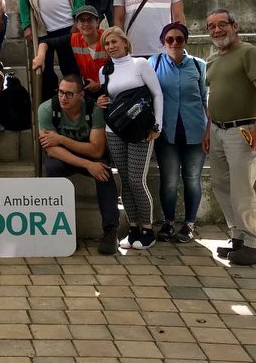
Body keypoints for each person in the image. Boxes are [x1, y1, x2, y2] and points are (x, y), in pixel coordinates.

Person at [203, 9, 256, 266]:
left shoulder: (249, 53)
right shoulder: (212, 58)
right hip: (218, 130)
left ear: (235, 26)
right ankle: (239, 236)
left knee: (242, 189)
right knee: (221, 185)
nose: (217, 30)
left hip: (242, 130)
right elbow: (214, 96)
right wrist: (208, 129)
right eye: (212, 26)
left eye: (222, 24)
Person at [96, 27, 163, 250]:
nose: (111, 47)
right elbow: (109, 99)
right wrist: (101, 102)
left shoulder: (140, 64)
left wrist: (157, 126)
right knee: (124, 179)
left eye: (114, 42)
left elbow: (157, 94)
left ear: (125, 43)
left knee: (137, 180)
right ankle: (133, 227)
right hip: (114, 130)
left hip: (141, 130)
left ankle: (147, 229)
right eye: (107, 44)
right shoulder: (104, 70)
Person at [38, 74, 119, 255]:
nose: (63, 98)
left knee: (104, 173)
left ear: (81, 95)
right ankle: (61, 230)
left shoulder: (93, 109)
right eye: (60, 92)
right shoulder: (46, 109)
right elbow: (51, 150)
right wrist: (87, 164)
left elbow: (97, 150)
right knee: (52, 170)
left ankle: (111, 231)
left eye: (69, 94)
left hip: (88, 154)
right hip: (65, 157)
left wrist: (60, 138)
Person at [149, 22, 208, 244]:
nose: (174, 43)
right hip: (166, 134)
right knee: (169, 180)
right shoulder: (152, 64)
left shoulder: (199, 66)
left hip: (195, 132)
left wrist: (209, 130)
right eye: (169, 39)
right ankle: (168, 222)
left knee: (192, 179)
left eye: (179, 39)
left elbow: (205, 99)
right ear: (163, 42)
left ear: (186, 42)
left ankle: (189, 224)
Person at [70, 5, 108, 96]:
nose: (86, 24)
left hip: (109, 89)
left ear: (97, 22)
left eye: (90, 20)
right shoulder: (73, 39)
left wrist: (100, 85)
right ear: (77, 24)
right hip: (87, 90)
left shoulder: (108, 38)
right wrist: (41, 54)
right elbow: (49, 42)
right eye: (82, 20)